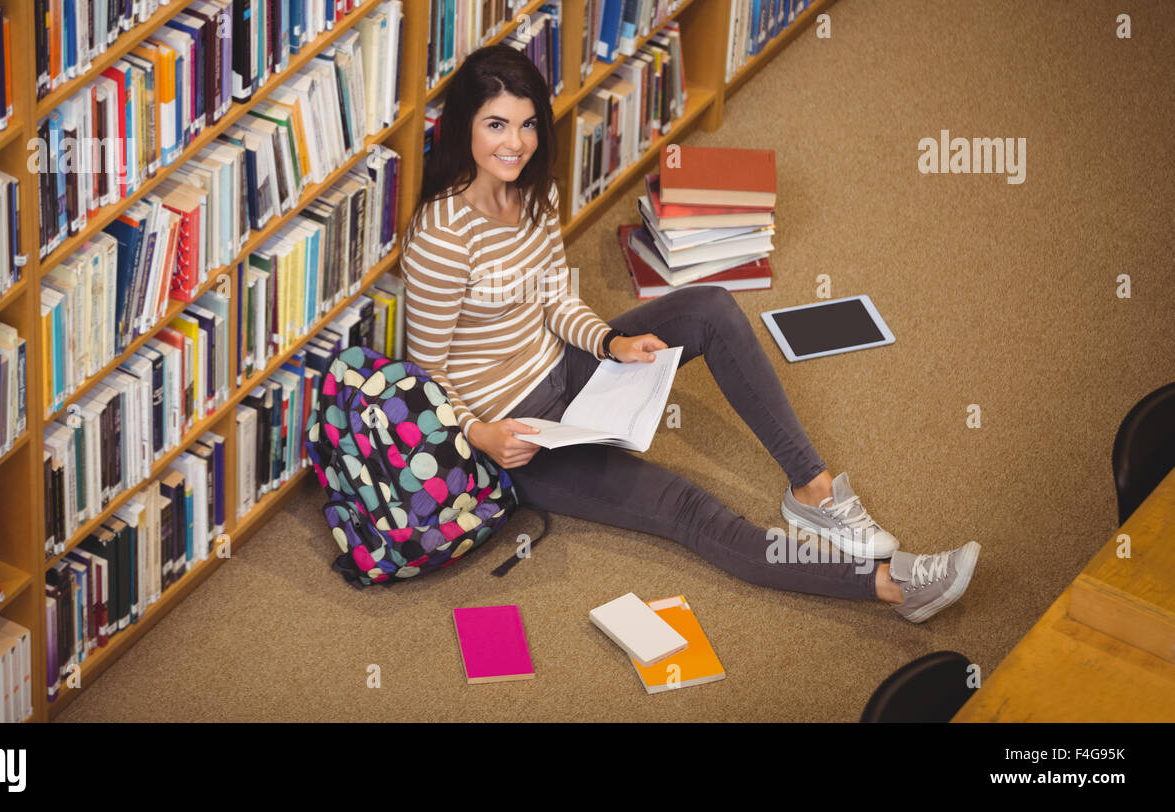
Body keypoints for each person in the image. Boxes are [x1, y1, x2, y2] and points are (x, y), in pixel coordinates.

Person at [399, 44, 980, 622]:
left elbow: (554, 298)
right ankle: (893, 587)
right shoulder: (441, 237)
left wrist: (609, 342)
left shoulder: (537, 193)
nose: (516, 143)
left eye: (527, 124)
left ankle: (814, 489)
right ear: (464, 127)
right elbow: (424, 378)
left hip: (569, 370)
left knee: (711, 308)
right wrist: (483, 436)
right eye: (496, 124)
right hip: (518, 436)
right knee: (687, 507)